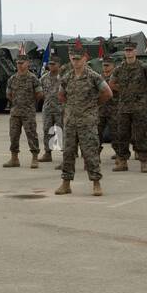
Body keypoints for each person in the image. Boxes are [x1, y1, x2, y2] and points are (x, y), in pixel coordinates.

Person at [55, 44, 110, 196]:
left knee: (90, 153)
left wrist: (93, 105)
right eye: (73, 59)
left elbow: (107, 93)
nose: (76, 62)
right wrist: (71, 108)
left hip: (87, 122)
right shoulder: (67, 78)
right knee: (68, 153)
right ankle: (66, 184)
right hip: (71, 122)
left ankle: (96, 184)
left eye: (78, 59)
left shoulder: (93, 76)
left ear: (85, 58)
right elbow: (61, 95)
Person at [108, 41, 147, 172]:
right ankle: (122, 162)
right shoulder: (119, 68)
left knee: (140, 135)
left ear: (135, 51)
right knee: (122, 135)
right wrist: (123, 90)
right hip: (123, 107)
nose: (128, 52)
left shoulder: (144, 67)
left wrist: (145, 90)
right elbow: (111, 83)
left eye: (131, 50)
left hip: (139, 107)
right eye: (127, 50)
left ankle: (143, 162)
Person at [2, 53, 41, 168]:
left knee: (31, 135)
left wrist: (30, 103)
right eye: (18, 63)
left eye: (22, 63)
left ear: (27, 63)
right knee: (13, 135)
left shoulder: (33, 78)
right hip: (15, 112)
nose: (19, 65)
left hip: (28, 112)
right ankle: (14, 159)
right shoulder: (12, 79)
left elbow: (39, 94)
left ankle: (35, 158)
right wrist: (16, 102)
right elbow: (8, 94)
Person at [37, 58, 63, 166]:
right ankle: (48, 153)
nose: (51, 66)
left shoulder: (63, 78)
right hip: (47, 109)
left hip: (60, 109)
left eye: (54, 64)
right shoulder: (44, 78)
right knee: (47, 131)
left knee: (61, 132)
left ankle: (65, 156)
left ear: (59, 65)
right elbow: (39, 91)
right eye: (50, 64)